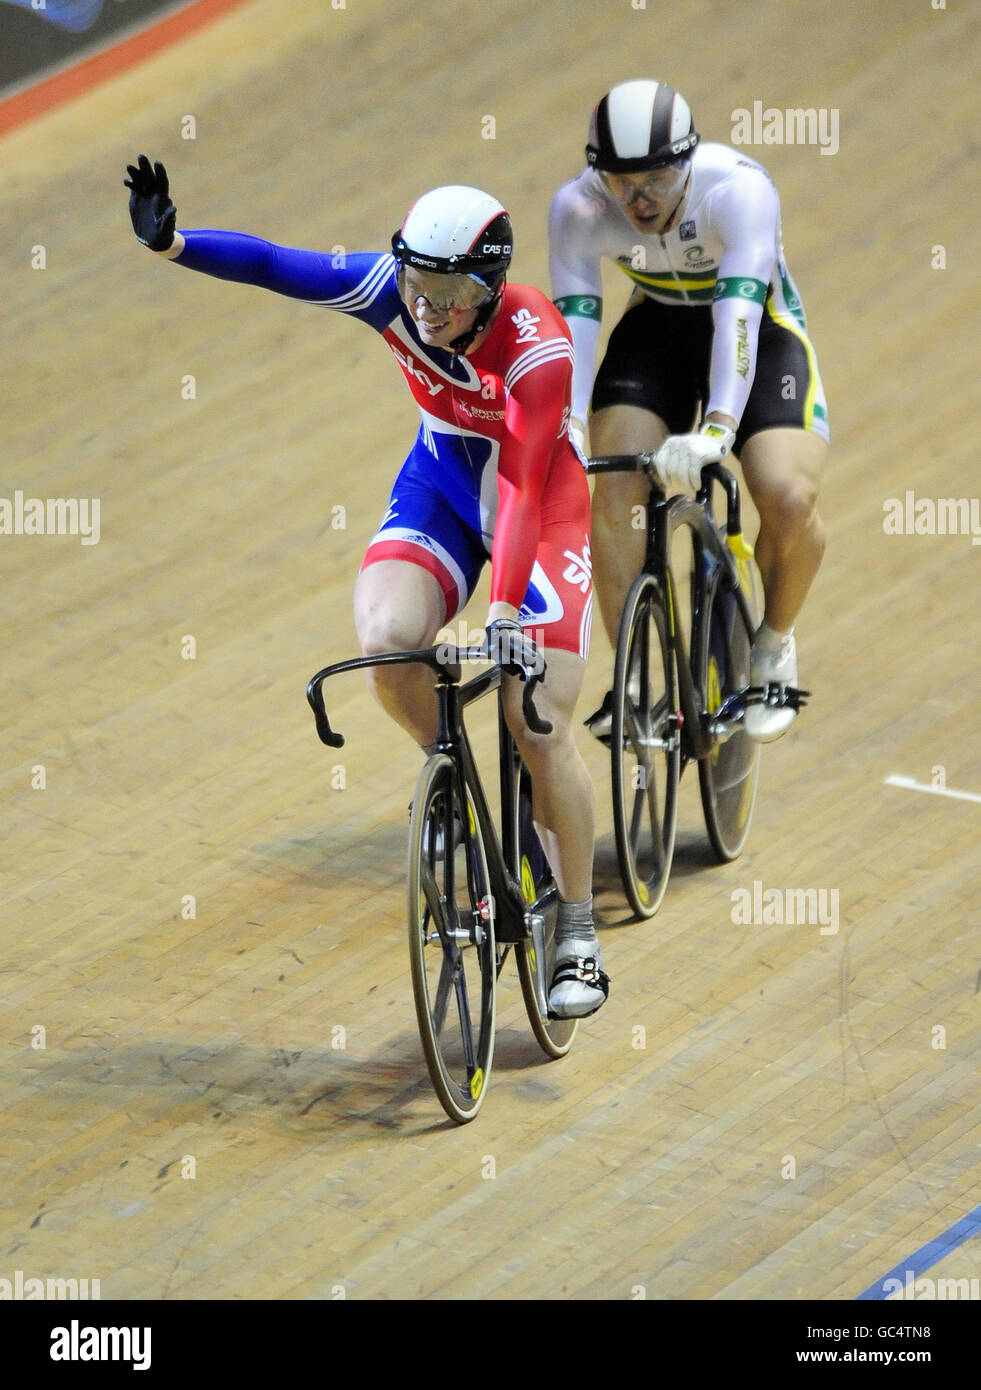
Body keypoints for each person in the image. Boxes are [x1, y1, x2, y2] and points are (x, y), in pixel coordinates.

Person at [124, 155, 608, 1017]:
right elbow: (276, 265)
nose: (426, 310)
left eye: (449, 295)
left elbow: (526, 488)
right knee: (387, 644)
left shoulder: (537, 346)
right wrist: (173, 243)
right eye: (418, 286)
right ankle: (453, 779)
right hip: (442, 484)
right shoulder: (390, 292)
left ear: (490, 290)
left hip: (540, 506)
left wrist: (501, 612)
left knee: (537, 722)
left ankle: (575, 930)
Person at [548, 79, 829, 742]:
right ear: (598, 177)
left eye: (656, 178)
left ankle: (772, 644)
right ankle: (635, 682)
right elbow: (577, 324)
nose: (639, 199)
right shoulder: (577, 208)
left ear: (687, 160)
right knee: (613, 486)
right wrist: (566, 422)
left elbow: (737, 316)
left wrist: (717, 428)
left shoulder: (738, 190)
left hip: (756, 330)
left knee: (785, 494)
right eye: (621, 183)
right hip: (655, 335)